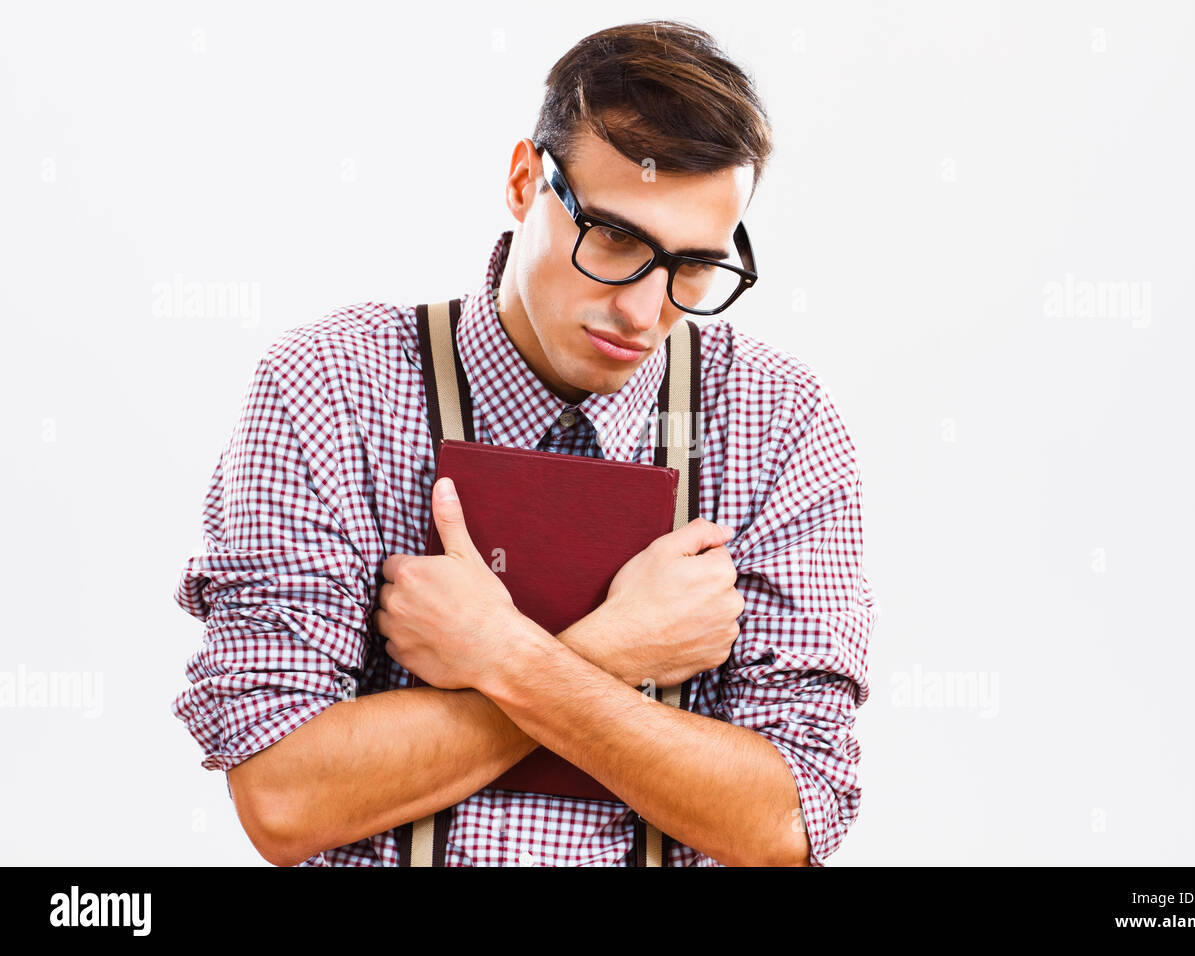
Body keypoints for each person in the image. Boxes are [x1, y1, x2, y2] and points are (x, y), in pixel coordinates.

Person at [171, 18, 876, 867]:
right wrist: (617, 646)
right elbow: (282, 798)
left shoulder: (779, 425)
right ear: (523, 181)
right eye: (615, 237)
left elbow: (786, 825)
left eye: (693, 266)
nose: (644, 312)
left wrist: (503, 654)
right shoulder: (333, 388)